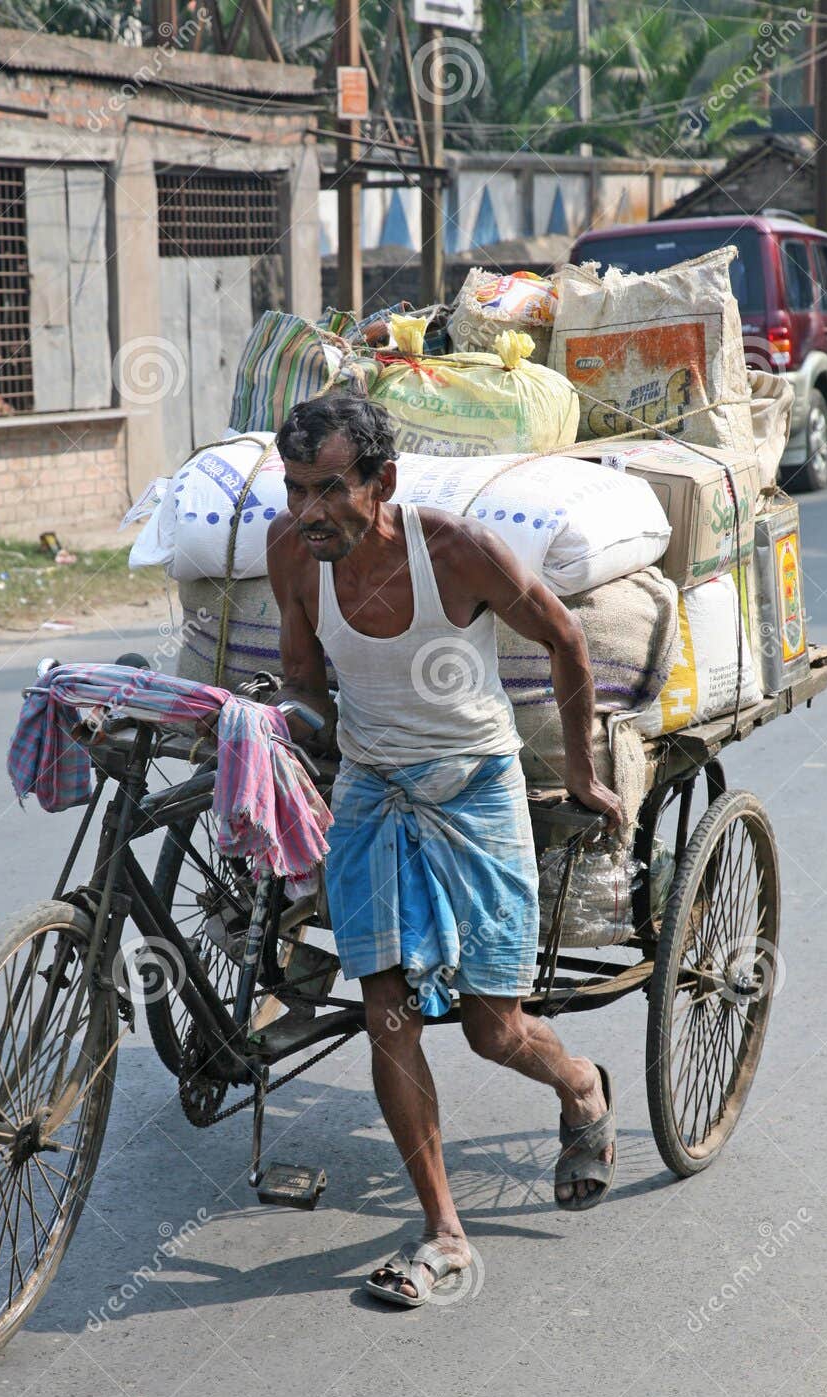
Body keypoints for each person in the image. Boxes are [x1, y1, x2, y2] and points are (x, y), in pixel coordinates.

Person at [266, 391, 624, 1310]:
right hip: (372, 795)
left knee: (490, 1028)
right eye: (294, 487)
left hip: (474, 787)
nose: (308, 512)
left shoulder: (453, 550)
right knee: (385, 1008)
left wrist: (581, 774)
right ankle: (445, 1234)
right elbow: (307, 679)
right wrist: (273, 749)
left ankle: (580, 1084)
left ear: (380, 482)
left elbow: (567, 640)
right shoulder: (289, 554)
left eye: (328, 490)